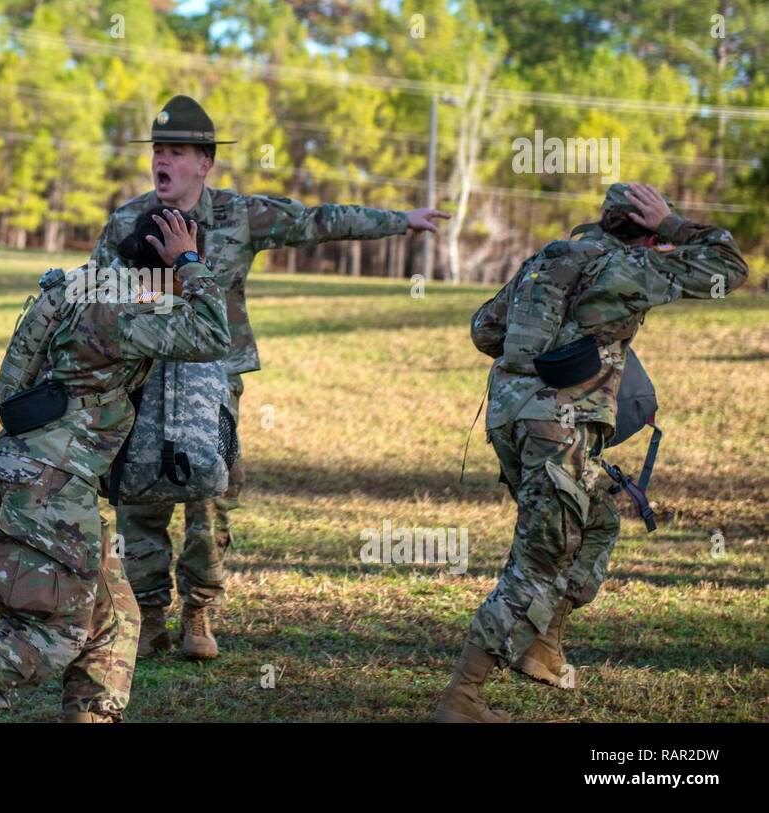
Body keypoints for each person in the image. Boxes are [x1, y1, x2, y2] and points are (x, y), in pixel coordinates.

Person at [92, 94, 448, 659]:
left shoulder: (239, 214)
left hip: (214, 380)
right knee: (137, 493)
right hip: (144, 376)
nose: (163, 160)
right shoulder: (127, 220)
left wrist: (400, 221)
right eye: (158, 149)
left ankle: (199, 612)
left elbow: (315, 222)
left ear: (205, 163)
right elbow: (94, 293)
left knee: (211, 493)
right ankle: (150, 616)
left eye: (177, 151)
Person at [0, 208, 230, 722]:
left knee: (115, 618)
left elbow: (10, 387)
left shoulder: (82, 286)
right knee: (56, 630)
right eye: (185, 255)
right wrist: (190, 262)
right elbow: (214, 334)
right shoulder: (126, 308)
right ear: (165, 256)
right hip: (51, 482)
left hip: (37, 470)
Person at [434, 182, 748, 722]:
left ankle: (541, 645)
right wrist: (674, 225)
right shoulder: (627, 267)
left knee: (597, 519)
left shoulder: (549, 259)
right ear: (647, 232)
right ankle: (462, 697)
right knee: (541, 558)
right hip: (558, 429)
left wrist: (550, 341)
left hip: (510, 418)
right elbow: (728, 267)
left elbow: (485, 329)